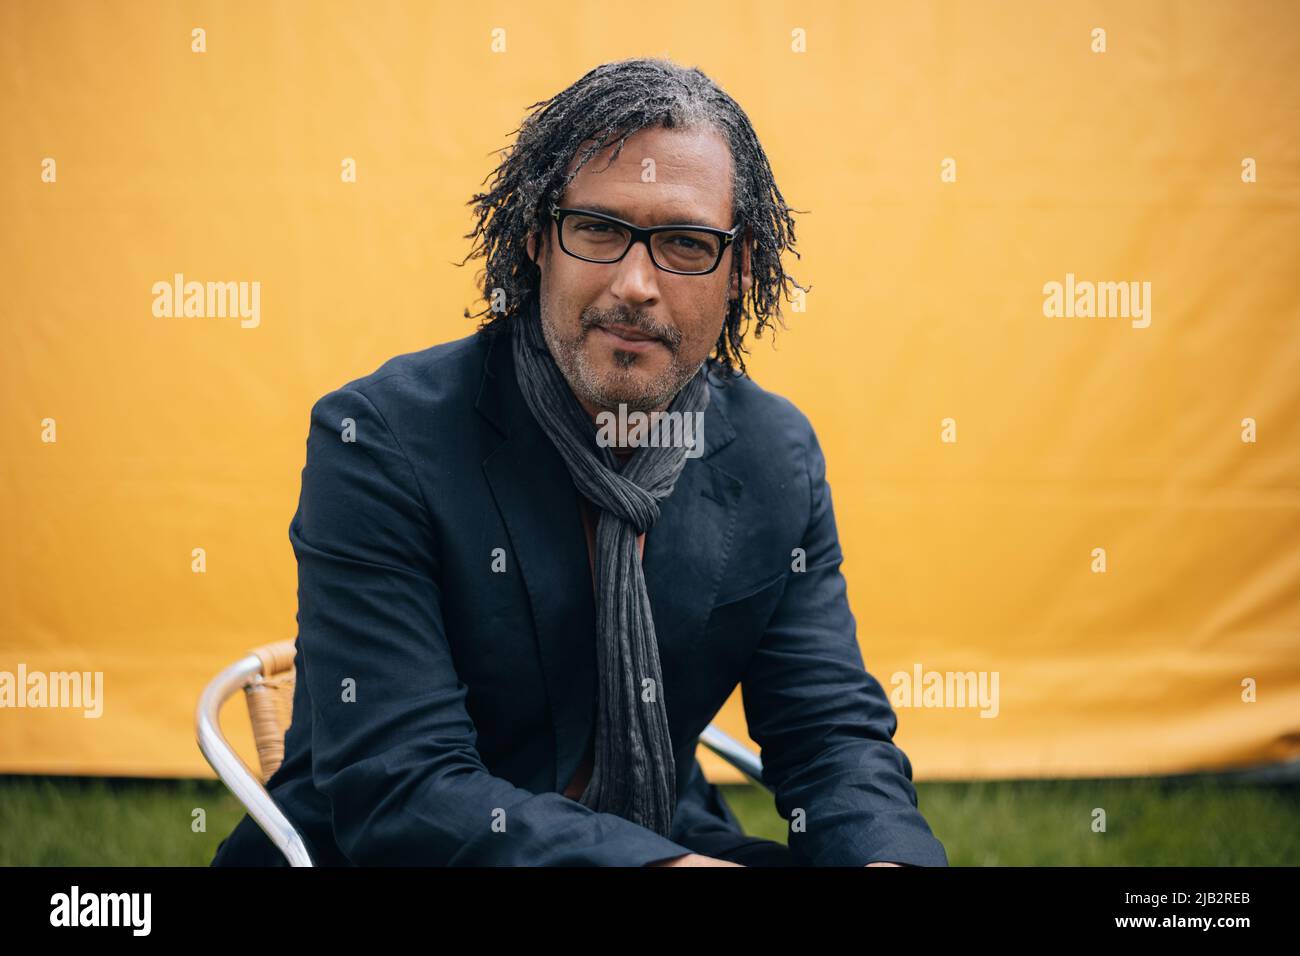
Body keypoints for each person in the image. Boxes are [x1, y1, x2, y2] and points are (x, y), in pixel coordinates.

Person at [211, 56, 947, 867]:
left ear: (741, 271)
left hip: (656, 834)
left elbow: (829, 733)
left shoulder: (773, 454)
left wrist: (885, 861)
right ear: (536, 239)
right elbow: (403, 787)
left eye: (685, 243)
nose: (635, 284)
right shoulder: (380, 437)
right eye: (598, 229)